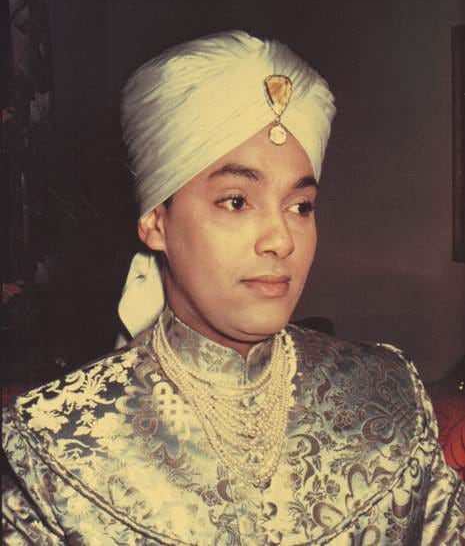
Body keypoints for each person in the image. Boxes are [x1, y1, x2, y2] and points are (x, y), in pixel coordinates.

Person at [2, 31, 464, 546]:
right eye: (236, 202)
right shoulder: (52, 443)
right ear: (156, 222)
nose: (281, 239)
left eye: (300, 206)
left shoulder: (390, 393)